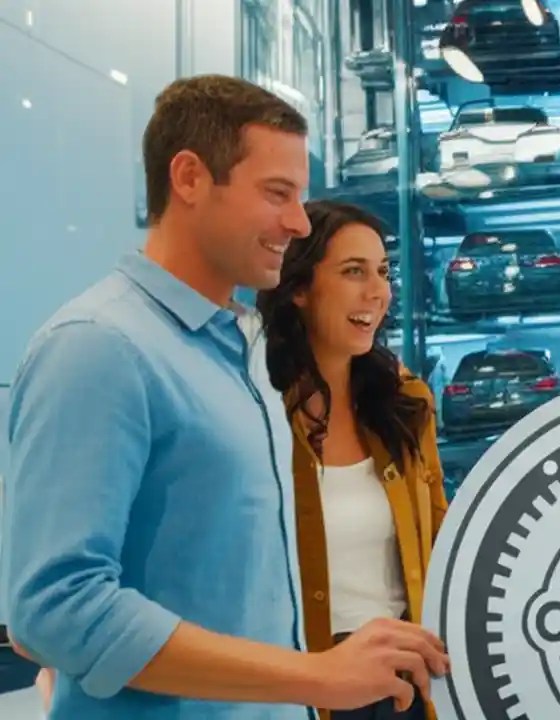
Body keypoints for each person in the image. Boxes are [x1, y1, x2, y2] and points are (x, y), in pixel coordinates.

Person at [0, 74, 448, 719]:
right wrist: (313, 676)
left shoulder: (244, 351)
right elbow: (53, 610)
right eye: (277, 194)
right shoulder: (98, 347)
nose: (297, 223)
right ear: (188, 178)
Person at [256, 200, 448, 720]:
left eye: (382, 272)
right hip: (301, 686)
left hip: (405, 687)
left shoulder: (406, 401)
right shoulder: (256, 409)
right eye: (353, 272)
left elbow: (438, 532)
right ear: (298, 288)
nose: (377, 291)